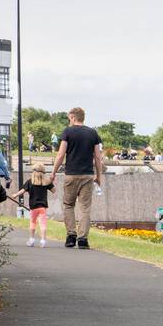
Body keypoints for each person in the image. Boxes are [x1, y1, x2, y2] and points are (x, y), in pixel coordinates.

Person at [50, 106, 104, 248]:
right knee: (85, 208)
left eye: (69, 118)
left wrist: (54, 172)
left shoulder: (68, 132)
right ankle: (83, 240)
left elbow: (61, 154)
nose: (69, 121)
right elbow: (98, 158)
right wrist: (99, 176)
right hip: (87, 175)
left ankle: (71, 236)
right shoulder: (93, 133)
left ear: (73, 117)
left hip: (71, 175)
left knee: (68, 205)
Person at [14, 168, 54, 247]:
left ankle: (31, 240)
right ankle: (43, 241)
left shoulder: (30, 182)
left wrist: (15, 195)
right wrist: (51, 181)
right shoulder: (46, 182)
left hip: (33, 206)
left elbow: (23, 190)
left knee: (33, 223)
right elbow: (54, 190)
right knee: (43, 224)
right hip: (43, 207)